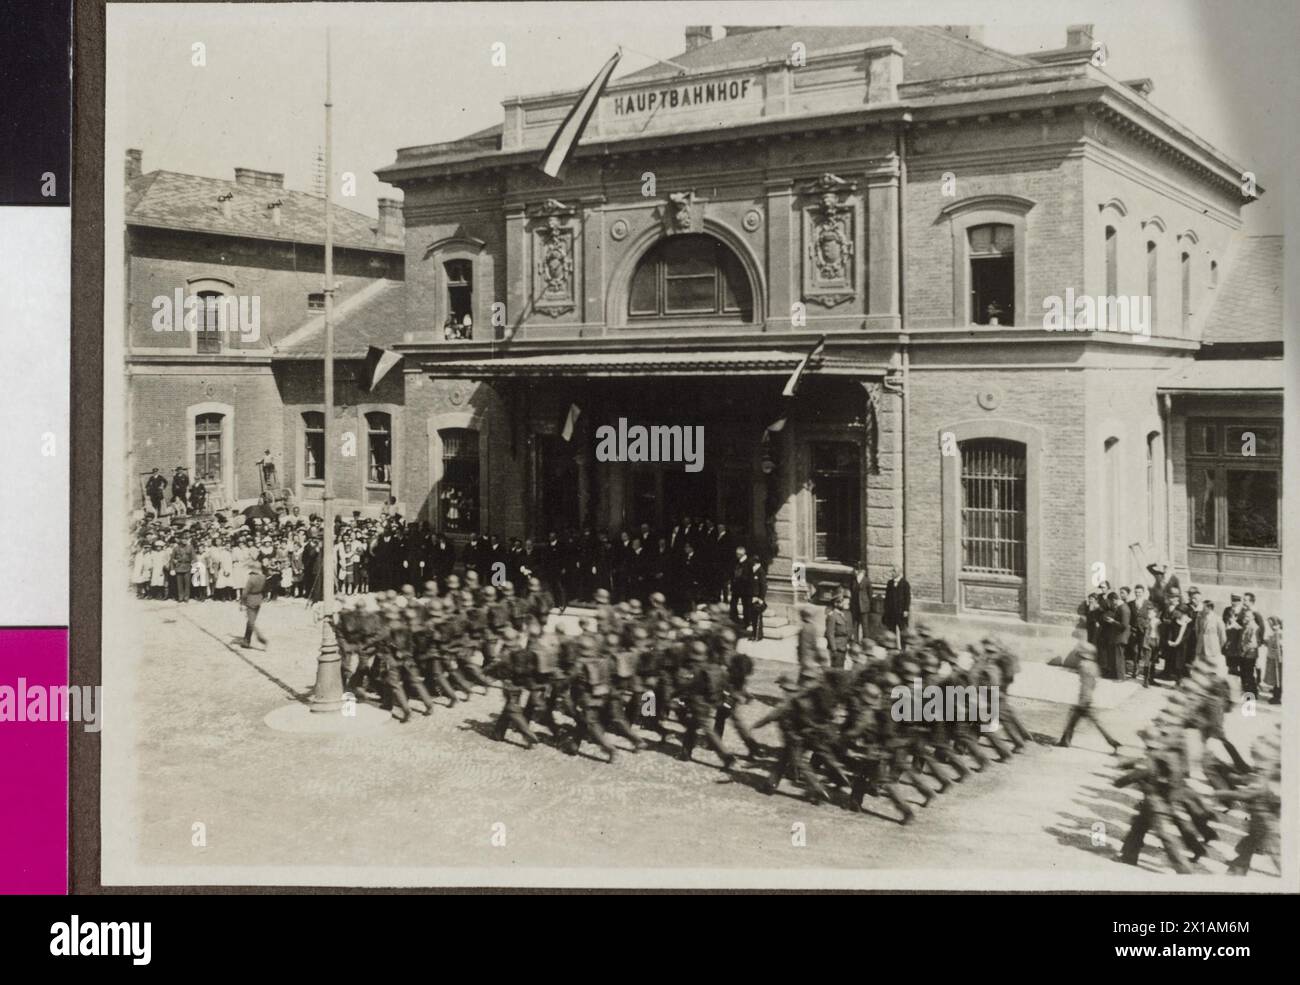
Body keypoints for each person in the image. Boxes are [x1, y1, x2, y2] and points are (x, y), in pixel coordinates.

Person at [1056, 641, 1121, 754]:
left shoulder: (1083, 665)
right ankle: (1065, 740)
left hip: (1084, 699)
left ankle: (1112, 741)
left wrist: (1083, 700)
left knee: (1074, 719)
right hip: (1088, 698)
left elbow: (1085, 684)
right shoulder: (1094, 665)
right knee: (1077, 720)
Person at [241, 561, 269, 650]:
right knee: (250, 621)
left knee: (251, 622)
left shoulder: (251, 578)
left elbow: (245, 592)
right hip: (259, 599)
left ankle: (261, 638)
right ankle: (246, 640)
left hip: (251, 600)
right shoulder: (263, 577)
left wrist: (242, 603)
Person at [882, 568, 910, 650]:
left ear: (899, 572)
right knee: (891, 630)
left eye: (894, 571)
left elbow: (907, 598)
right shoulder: (890, 583)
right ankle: (892, 647)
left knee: (903, 631)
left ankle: (903, 648)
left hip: (901, 612)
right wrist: (886, 609)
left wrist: (906, 610)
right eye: (892, 571)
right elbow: (887, 598)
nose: (892, 573)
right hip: (891, 612)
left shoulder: (905, 584)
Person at [824, 591, 853, 669]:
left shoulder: (842, 615)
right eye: (842, 602)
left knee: (841, 668)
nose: (845, 604)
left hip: (843, 647)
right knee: (836, 669)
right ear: (836, 604)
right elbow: (830, 634)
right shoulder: (832, 616)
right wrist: (834, 649)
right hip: (837, 648)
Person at [848, 564, 872, 642]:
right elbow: (852, 591)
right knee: (855, 624)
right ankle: (855, 641)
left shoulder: (866, 580)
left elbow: (870, 594)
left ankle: (866, 642)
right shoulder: (853, 581)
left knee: (865, 625)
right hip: (855, 606)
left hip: (864, 607)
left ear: (861, 571)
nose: (854, 572)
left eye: (856, 570)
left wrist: (867, 603)